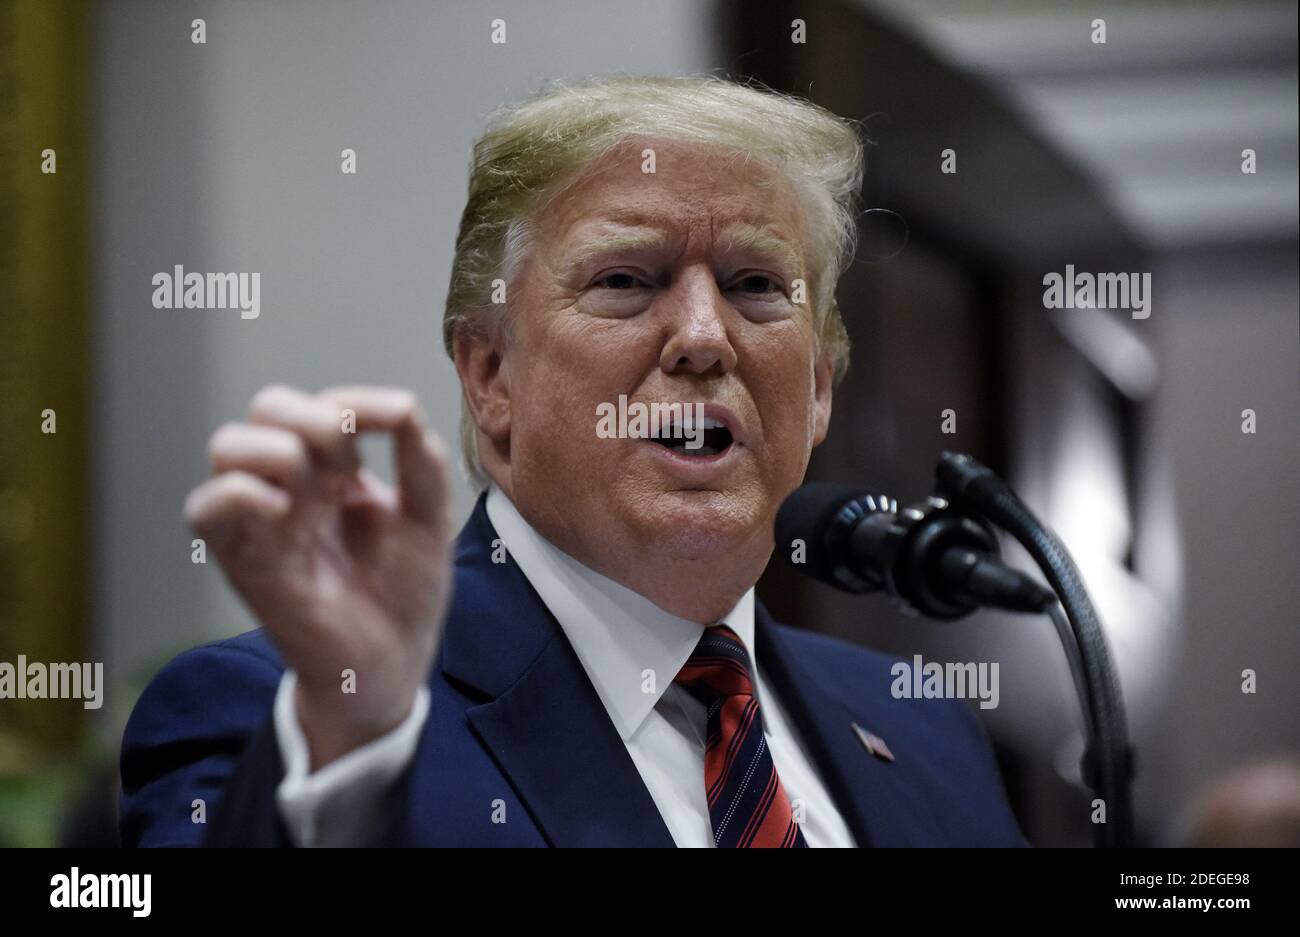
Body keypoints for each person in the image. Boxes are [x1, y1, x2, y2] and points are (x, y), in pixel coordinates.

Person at [120, 76, 1025, 847]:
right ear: (491, 373)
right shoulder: (303, 716)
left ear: (821, 388)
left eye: (756, 285)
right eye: (625, 280)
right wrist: (350, 746)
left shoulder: (928, 734)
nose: (705, 338)